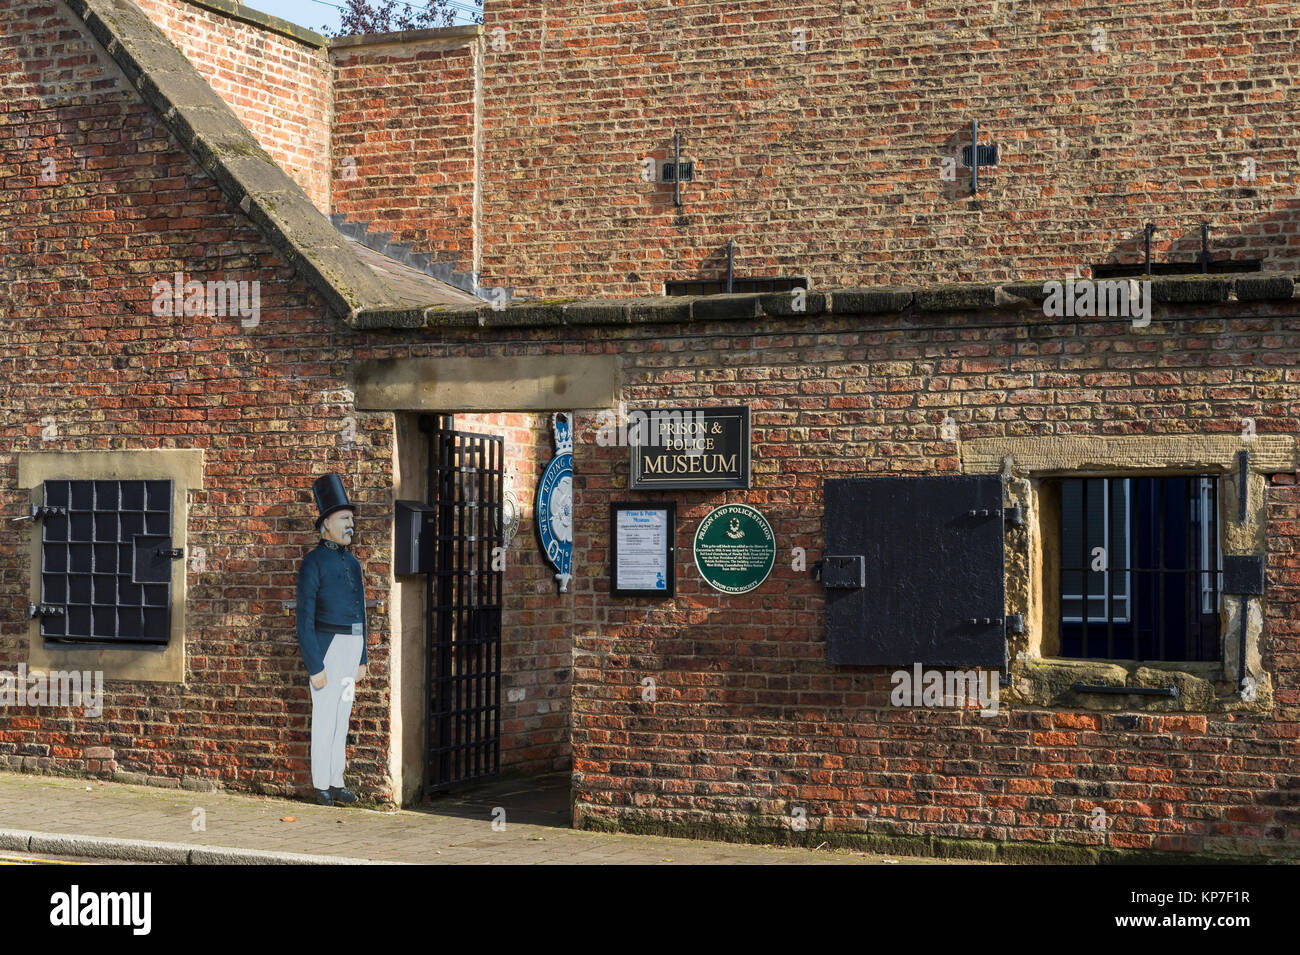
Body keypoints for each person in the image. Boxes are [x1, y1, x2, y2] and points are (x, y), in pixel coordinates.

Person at [296, 473, 368, 806]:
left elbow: (362, 613)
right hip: (327, 647)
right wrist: (315, 664)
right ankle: (321, 784)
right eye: (343, 518)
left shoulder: (353, 564)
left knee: (344, 717)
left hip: (351, 647)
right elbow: (304, 618)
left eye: (351, 518)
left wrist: (363, 657)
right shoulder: (313, 563)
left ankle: (337, 780)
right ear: (326, 524)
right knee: (324, 717)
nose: (350, 523)